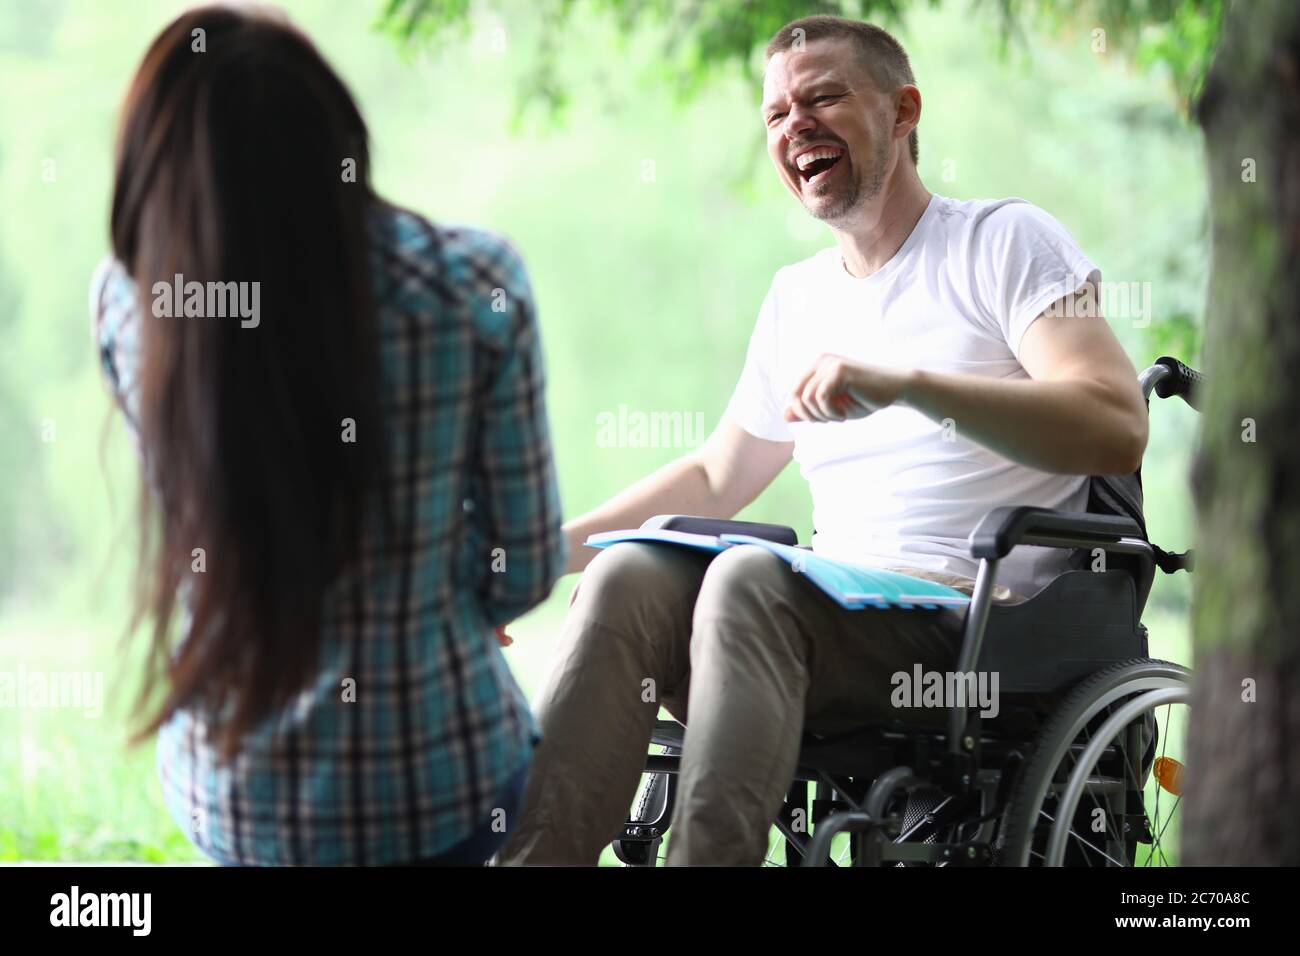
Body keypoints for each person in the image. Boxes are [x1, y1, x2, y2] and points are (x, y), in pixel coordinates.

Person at [497, 14, 1147, 866]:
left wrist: (906, 386)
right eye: (774, 114)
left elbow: (1115, 422)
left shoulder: (1003, 241)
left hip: (978, 628)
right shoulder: (796, 298)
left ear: (903, 110)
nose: (794, 125)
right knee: (625, 573)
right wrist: (534, 560)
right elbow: (716, 473)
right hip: (827, 612)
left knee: (745, 579)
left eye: (824, 98)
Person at [92, 4, 564, 866]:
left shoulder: (134, 307)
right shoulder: (473, 284)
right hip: (440, 779)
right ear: (335, 126)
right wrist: (425, 579)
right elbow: (524, 568)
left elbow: (203, 534)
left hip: (238, 795)